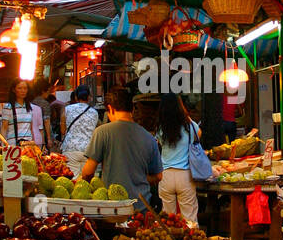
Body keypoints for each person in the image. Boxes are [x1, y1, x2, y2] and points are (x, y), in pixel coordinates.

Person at [81, 86, 161, 209]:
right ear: (132, 109)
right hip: (141, 207)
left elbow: (88, 172)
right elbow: (158, 176)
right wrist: (137, 176)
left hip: (112, 208)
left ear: (110, 109)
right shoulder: (149, 138)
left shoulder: (102, 132)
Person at [156, 92, 200, 225]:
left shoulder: (161, 128)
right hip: (185, 176)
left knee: (168, 220)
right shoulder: (189, 125)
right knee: (189, 219)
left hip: (166, 176)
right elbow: (198, 135)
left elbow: (158, 143)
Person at [61, 84, 99, 177]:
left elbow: (62, 131)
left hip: (70, 149)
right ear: (89, 97)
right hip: (88, 150)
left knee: (72, 180)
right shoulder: (94, 113)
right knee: (86, 181)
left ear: (76, 97)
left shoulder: (67, 109)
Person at [1, 78, 45, 147]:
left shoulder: (29, 107)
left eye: (25, 88)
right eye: (19, 88)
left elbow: (30, 128)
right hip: (13, 146)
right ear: (13, 90)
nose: (23, 91)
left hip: (28, 145)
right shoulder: (8, 107)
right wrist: (2, 145)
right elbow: (4, 128)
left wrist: (33, 144)